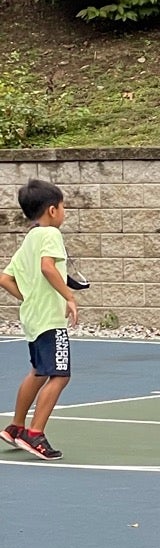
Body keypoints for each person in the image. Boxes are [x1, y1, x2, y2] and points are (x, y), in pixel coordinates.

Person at [0, 179, 78, 460]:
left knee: (38, 371)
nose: (65, 211)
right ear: (53, 210)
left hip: (33, 318)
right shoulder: (50, 235)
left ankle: (16, 427)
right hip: (49, 319)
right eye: (64, 206)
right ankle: (35, 433)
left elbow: (5, 278)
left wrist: (27, 297)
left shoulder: (30, 238)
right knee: (60, 375)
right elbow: (48, 267)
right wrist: (69, 296)